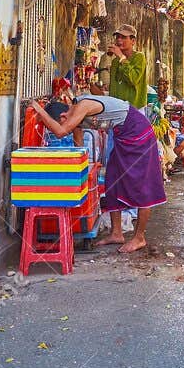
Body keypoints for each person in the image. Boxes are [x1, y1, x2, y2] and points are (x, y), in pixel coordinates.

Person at [28, 88, 165, 254]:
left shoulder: (81, 107)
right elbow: (78, 146)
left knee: (141, 185)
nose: (65, 125)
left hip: (138, 133)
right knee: (113, 179)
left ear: (64, 116)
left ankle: (139, 237)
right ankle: (116, 233)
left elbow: (60, 132)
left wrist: (39, 109)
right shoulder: (75, 116)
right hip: (122, 136)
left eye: (62, 121)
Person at [103, 24, 147, 109]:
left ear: (133, 41)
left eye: (123, 37)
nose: (119, 40)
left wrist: (121, 58)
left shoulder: (139, 57)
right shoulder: (115, 61)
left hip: (134, 108)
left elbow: (133, 79)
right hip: (117, 107)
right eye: (117, 37)